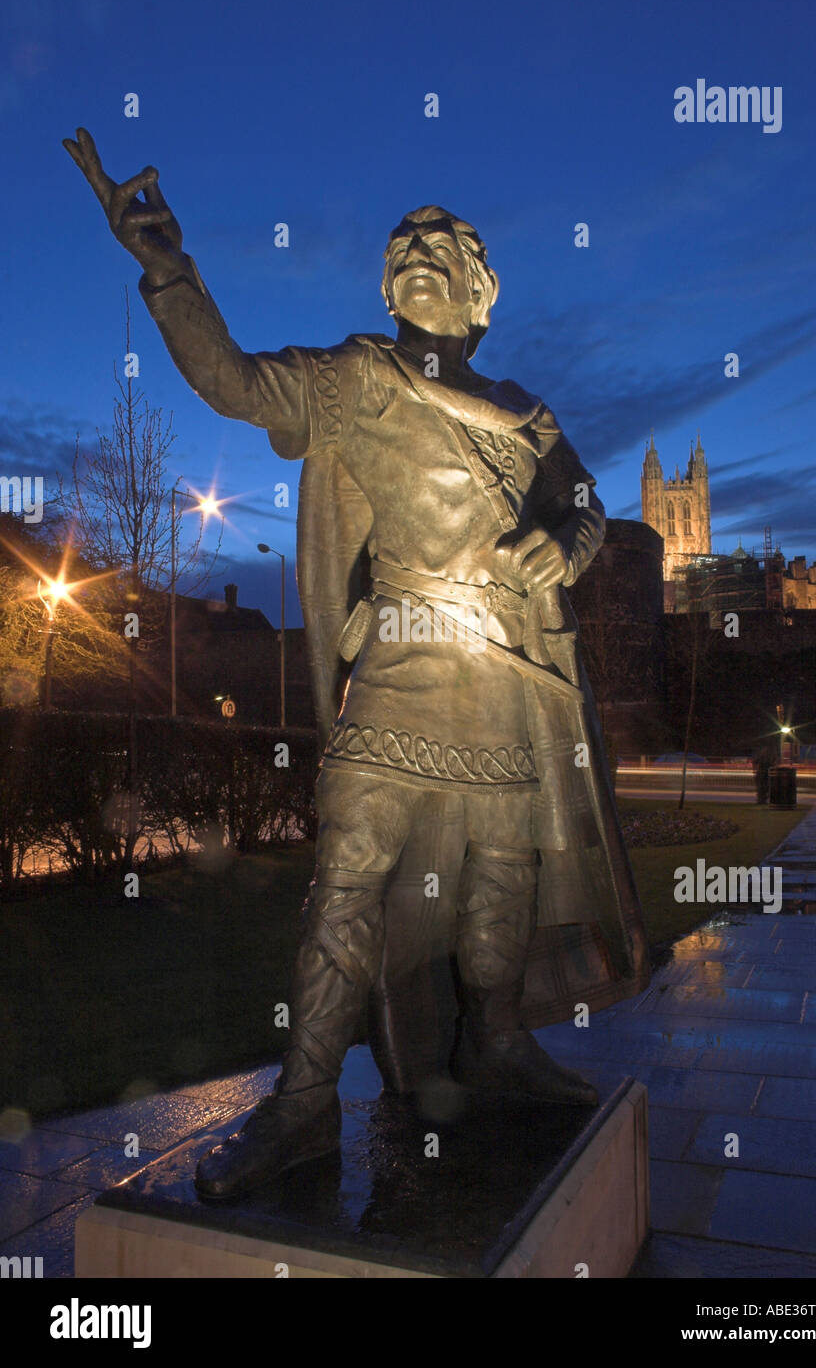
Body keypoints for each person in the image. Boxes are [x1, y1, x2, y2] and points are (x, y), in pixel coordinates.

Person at [64, 130, 649, 1200]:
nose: (420, 249)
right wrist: (165, 268)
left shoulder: (523, 413)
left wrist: (558, 544)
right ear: (389, 286)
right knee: (348, 887)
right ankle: (300, 1102)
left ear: (481, 296)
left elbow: (583, 502)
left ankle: (499, 1045)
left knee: (497, 887)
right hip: (399, 670)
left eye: (445, 246)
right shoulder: (358, 379)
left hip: (508, 684)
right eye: (405, 245)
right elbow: (236, 384)